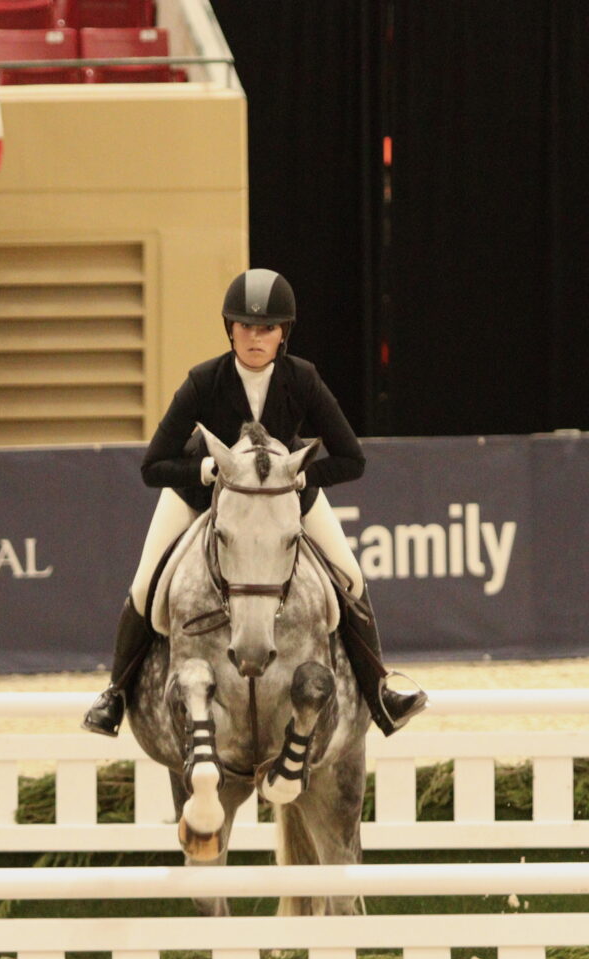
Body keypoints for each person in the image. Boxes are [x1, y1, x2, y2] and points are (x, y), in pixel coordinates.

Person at [82, 268, 427, 739]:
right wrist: (204, 470)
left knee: (351, 577)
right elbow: (152, 465)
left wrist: (300, 477)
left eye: (266, 328)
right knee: (146, 587)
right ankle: (115, 695)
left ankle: (380, 690)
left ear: (283, 332)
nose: (255, 336)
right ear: (231, 330)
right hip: (200, 497)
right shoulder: (204, 381)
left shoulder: (302, 378)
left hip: (283, 501)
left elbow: (352, 459)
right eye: (245, 326)